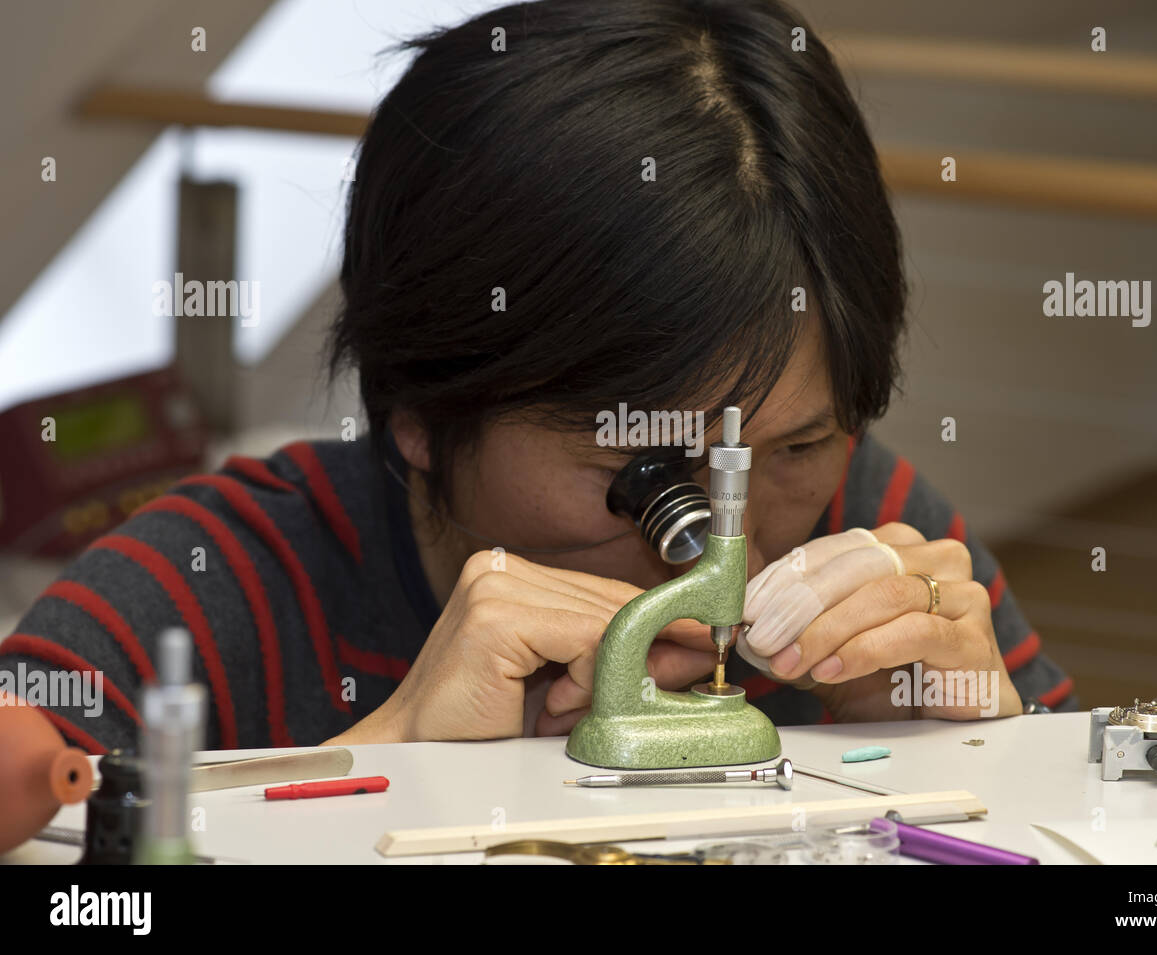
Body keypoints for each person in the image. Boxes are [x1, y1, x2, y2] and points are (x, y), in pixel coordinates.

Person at [0, 0, 1075, 754]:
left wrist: (986, 760)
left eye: (792, 447)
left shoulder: (866, 518)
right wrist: (379, 764)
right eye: (639, 470)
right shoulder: (205, 588)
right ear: (422, 414)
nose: (709, 542)